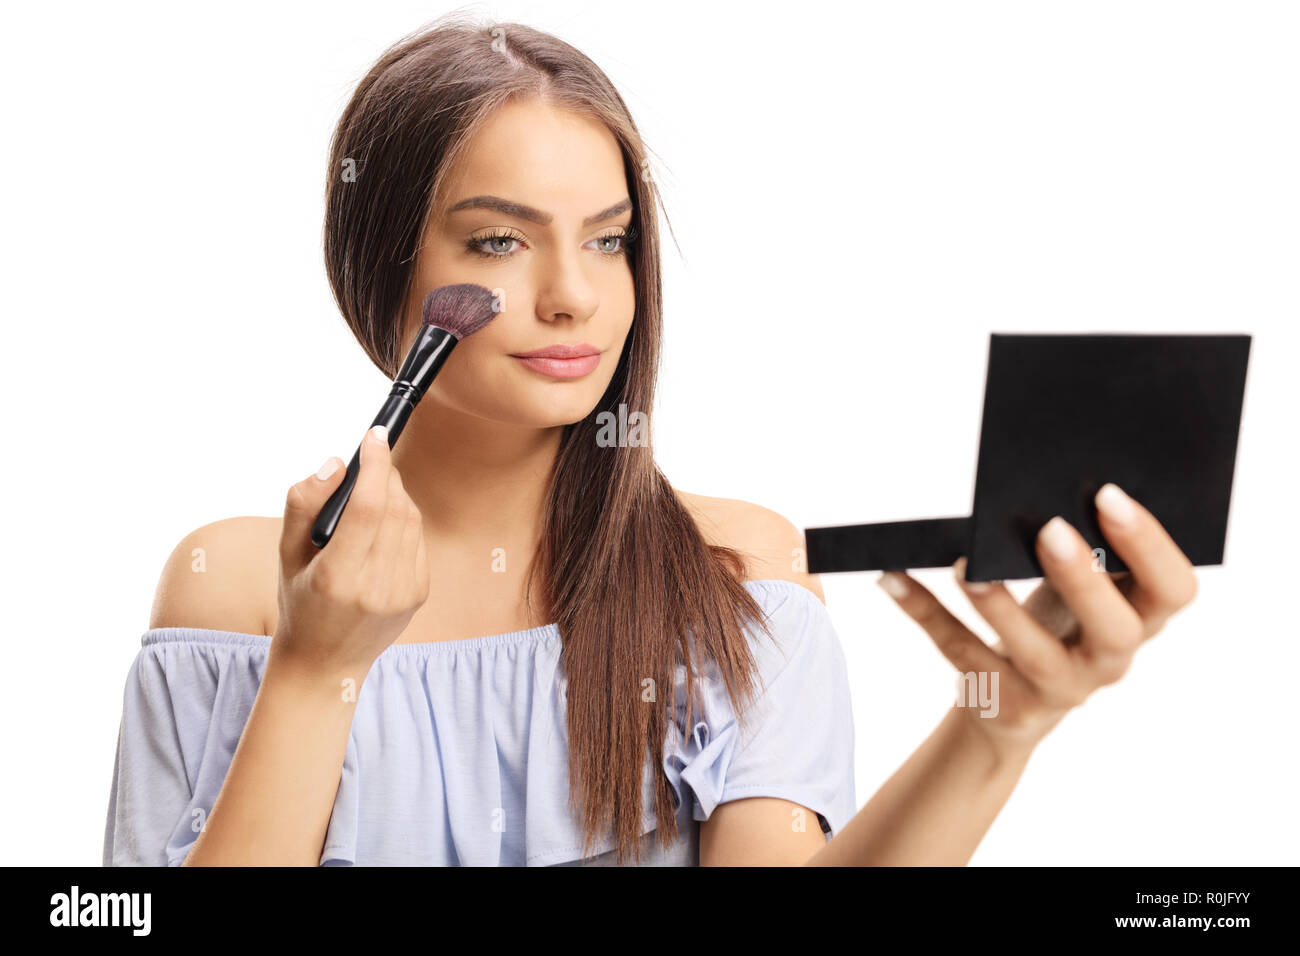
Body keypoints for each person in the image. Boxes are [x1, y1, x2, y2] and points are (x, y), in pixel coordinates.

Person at [102, 15, 1199, 867]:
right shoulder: (231, 588)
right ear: (376, 263)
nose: (573, 294)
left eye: (609, 240)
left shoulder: (735, 575)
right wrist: (313, 669)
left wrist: (998, 729)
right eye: (498, 239)